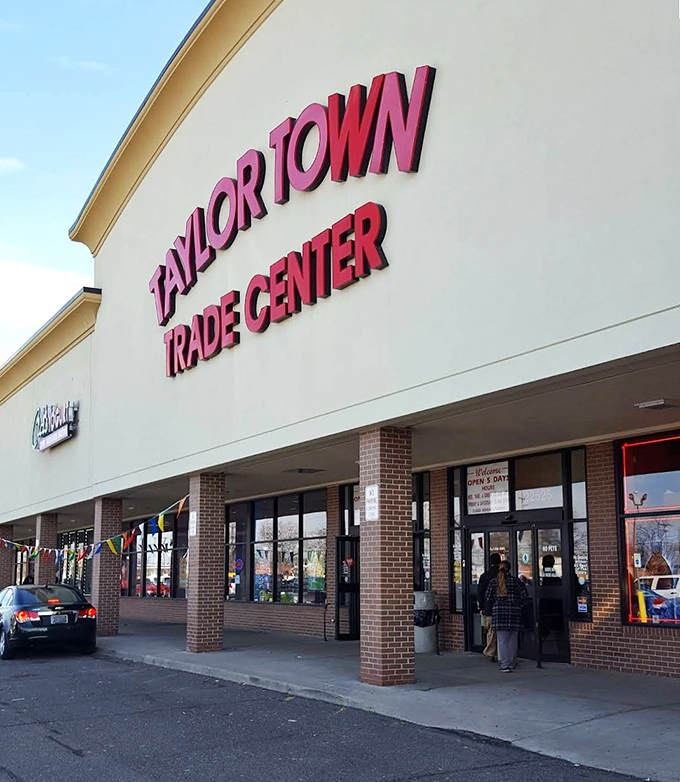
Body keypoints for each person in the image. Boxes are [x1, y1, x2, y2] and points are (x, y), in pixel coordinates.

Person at [485, 560, 529, 672]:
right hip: (514, 612)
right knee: (512, 640)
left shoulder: (493, 582)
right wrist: (518, 604)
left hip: (499, 613)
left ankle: (504, 664)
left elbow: (488, 597)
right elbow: (524, 595)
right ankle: (511, 662)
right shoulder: (516, 581)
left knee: (502, 640)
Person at [477, 553, 502, 662]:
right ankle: (501, 653)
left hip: (489, 607)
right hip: (501, 606)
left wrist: (482, 606)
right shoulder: (502, 575)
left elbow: (480, 592)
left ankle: (490, 652)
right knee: (502, 631)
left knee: (491, 630)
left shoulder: (484, 576)